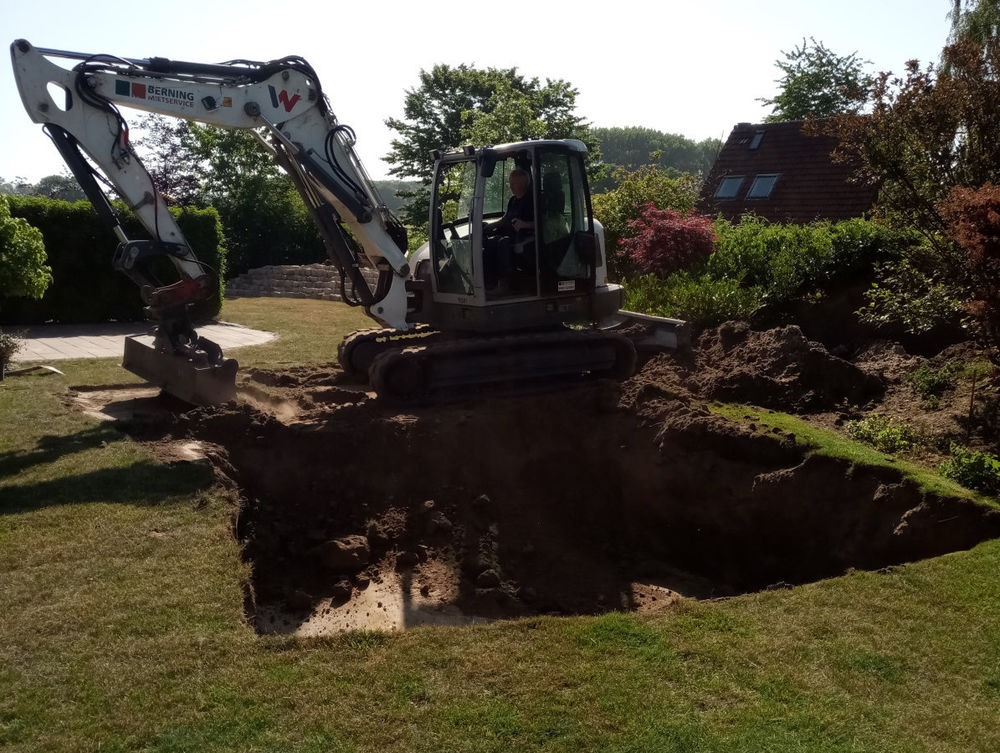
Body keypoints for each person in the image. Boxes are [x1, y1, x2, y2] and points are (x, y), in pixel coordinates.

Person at [484, 167, 535, 290]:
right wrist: (489, 226)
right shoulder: (513, 200)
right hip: (509, 235)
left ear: (522, 184)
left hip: (525, 237)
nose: (510, 186)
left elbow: (542, 223)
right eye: (510, 183)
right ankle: (488, 281)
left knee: (503, 243)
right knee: (488, 243)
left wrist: (524, 224)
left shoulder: (532, 201)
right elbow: (505, 220)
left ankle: (504, 284)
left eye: (513, 183)